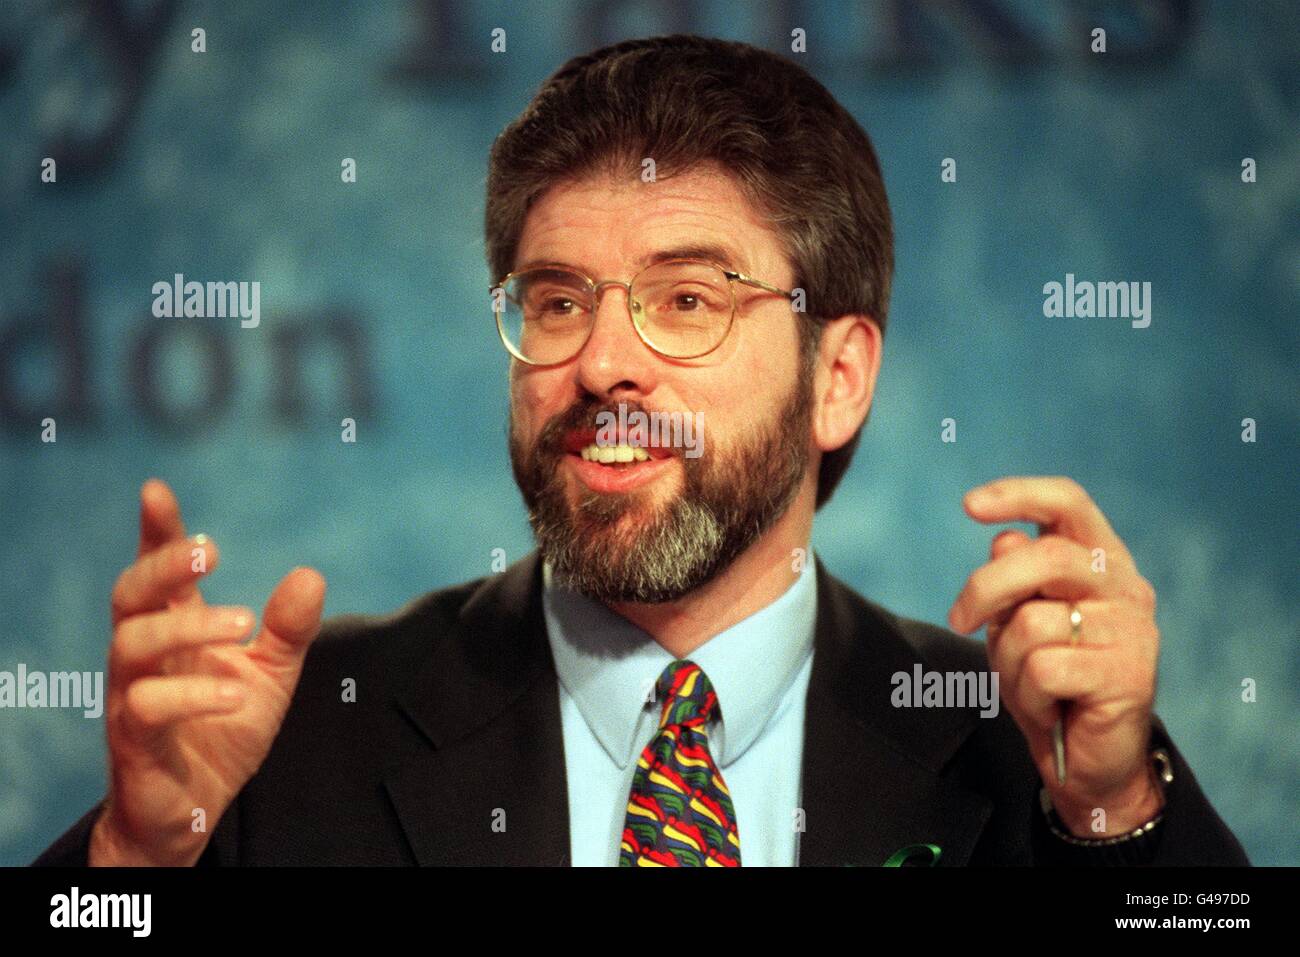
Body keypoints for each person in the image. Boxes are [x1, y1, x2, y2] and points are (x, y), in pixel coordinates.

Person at [35, 35, 1247, 867]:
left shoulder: (1008, 743)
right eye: (557, 300)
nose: (604, 361)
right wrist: (134, 861)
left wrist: (1115, 810)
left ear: (838, 376)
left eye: (685, 301)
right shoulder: (300, 738)